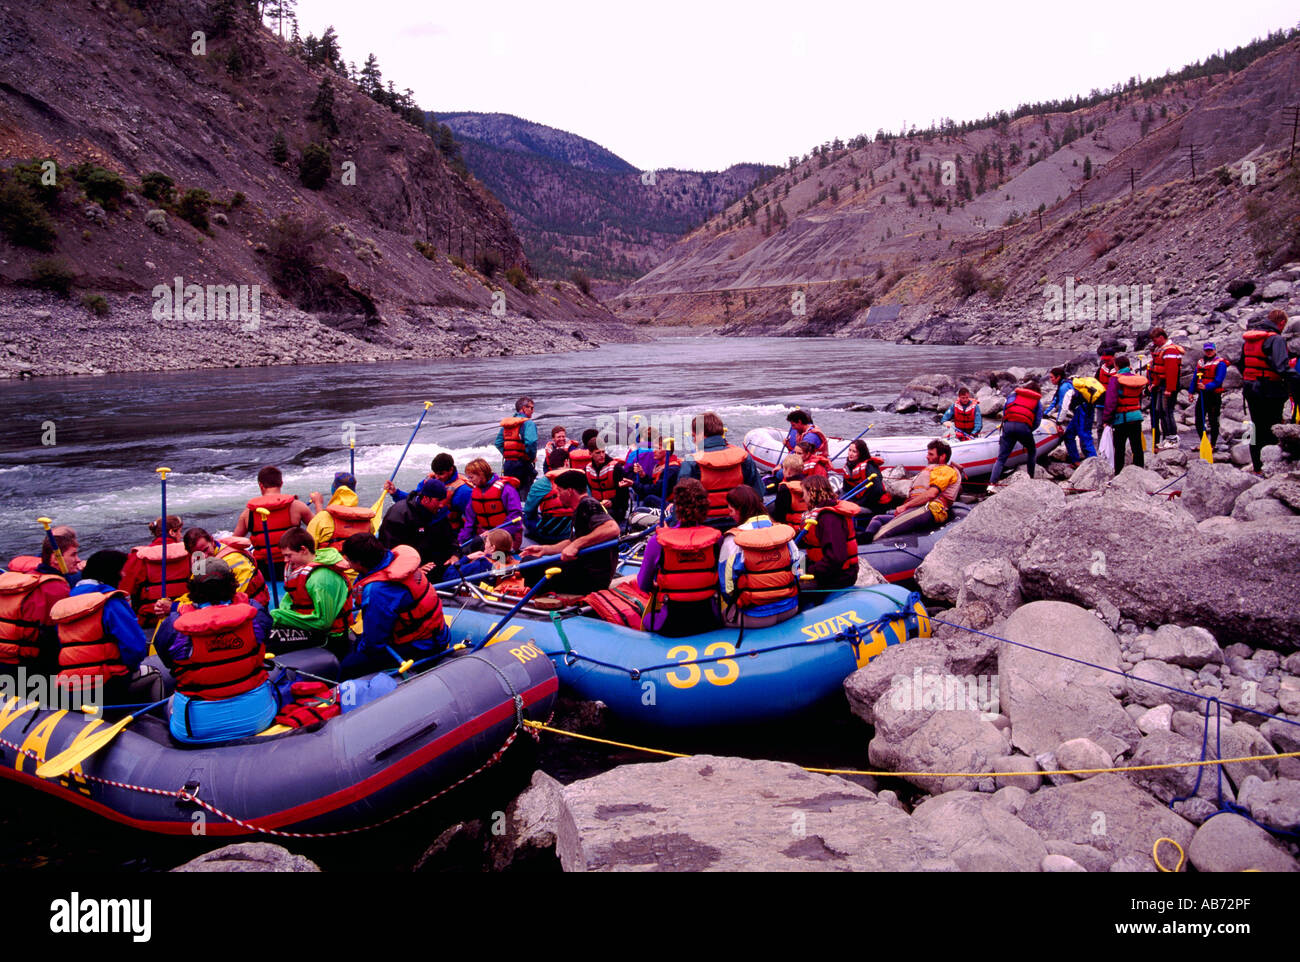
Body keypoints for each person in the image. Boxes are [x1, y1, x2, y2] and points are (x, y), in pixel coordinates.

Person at [160, 560, 277, 745]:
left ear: (193, 590)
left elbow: (168, 661)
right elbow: (265, 638)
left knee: (170, 701)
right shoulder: (255, 612)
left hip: (195, 729)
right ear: (232, 585)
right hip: (257, 719)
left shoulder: (174, 625)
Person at [50, 549, 162, 705]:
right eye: (120, 571)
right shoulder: (111, 602)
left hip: (69, 684)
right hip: (106, 682)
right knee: (156, 675)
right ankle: (154, 722)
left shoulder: (65, 603)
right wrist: (128, 667)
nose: (123, 575)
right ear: (110, 573)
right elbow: (135, 647)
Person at [340, 534, 449, 680]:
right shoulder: (393, 559)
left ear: (359, 563)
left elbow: (375, 642)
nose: (348, 565)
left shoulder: (378, 591)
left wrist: (359, 650)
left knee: (347, 667)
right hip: (437, 633)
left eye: (348, 561)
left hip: (421, 646)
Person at [636, 479, 722, 636]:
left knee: (648, 618)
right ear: (704, 507)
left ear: (676, 508)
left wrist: (657, 587)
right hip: (709, 619)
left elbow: (643, 584)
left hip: (671, 622)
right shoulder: (716, 540)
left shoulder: (658, 542)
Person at [519, 471, 621, 596]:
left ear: (570, 491)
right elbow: (571, 541)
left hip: (590, 579)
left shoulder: (587, 504)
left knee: (528, 565)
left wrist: (576, 544)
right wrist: (544, 549)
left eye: (559, 491)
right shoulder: (580, 509)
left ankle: (533, 600)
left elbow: (612, 528)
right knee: (531, 561)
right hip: (584, 571)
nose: (558, 496)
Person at [717, 486, 800, 629]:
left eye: (731, 510)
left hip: (754, 617)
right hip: (790, 609)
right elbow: (799, 563)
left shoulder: (732, 541)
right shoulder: (783, 532)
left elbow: (727, 587)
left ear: (740, 509)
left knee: (720, 616)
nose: (730, 515)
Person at [0, 528, 76, 678]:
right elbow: (63, 637)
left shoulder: (27, 578)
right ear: (56, 559)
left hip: (5, 660)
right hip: (32, 668)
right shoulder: (56, 588)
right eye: (73, 554)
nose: (78, 560)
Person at [271, 528, 351, 655]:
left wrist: (279, 617)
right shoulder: (301, 570)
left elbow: (324, 622)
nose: (285, 560)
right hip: (311, 629)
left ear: (303, 549)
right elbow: (289, 600)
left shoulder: (321, 578)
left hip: (331, 638)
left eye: (288, 555)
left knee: (271, 643)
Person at [681, 412, 766, 530]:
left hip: (705, 527)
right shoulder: (744, 457)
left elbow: (683, 504)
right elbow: (759, 493)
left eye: (694, 436)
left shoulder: (691, 462)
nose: (694, 440)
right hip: (739, 524)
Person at [863, 440, 962, 541]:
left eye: (931, 454)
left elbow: (931, 494)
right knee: (877, 519)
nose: (927, 457)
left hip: (931, 509)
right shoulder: (935, 470)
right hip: (918, 507)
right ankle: (864, 540)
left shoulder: (946, 470)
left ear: (943, 457)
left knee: (884, 530)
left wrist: (905, 506)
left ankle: (866, 548)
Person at [233, 466, 314, 580]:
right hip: (294, 566)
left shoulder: (247, 513)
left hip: (264, 570)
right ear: (281, 483)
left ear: (261, 485)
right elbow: (319, 530)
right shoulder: (297, 506)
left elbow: (233, 543)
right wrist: (318, 503)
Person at [1240, 309, 1294, 473]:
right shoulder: (1276, 339)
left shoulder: (1250, 339)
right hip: (1269, 390)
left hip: (1250, 388)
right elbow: (1281, 366)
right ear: (1282, 323)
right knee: (1272, 427)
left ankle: (1257, 466)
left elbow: (1241, 364)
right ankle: (1269, 467)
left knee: (1256, 427)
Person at [387, 454, 474, 543]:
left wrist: (460, 541)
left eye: (441, 474)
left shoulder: (464, 492)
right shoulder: (429, 481)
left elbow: (471, 520)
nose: (437, 477)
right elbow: (414, 500)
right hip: (425, 528)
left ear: (451, 470)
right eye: (435, 473)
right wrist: (396, 493)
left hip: (450, 533)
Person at [377, 476, 456, 574]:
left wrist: (455, 554)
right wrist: (414, 570)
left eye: (443, 500)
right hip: (410, 570)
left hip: (438, 564)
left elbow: (450, 539)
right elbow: (389, 551)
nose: (441, 505)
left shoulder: (438, 513)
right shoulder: (398, 516)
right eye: (438, 501)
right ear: (426, 499)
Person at [120, 520, 191, 627]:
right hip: (184, 613)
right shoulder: (193, 552)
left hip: (150, 618)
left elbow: (124, 590)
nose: (181, 536)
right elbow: (201, 580)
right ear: (172, 532)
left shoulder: (137, 557)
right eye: (180, 532)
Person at [800, 475, 859, 592]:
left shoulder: (829, 518)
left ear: (812, 493)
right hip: (827, 569)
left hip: (839, 576)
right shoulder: (822, 513)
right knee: (792, 570)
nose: (802, 497)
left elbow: (836, 558)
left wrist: (810, 571)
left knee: (793, 587)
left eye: (804, 493)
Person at [183, 528, 269, 606]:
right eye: (199, 554)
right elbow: (195, 591)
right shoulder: (200, 562)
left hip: (250, 607)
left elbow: (234, 596)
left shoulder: (234, 559)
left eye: (206, 549)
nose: (204, 556)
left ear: (212, 541)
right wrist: (177, 605)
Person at [462, 457, 524, 552]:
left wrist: (494, 536)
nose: (470, 481)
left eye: (471, 477)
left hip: (506, 536)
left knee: (496, 558)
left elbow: (515, 518)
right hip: (485, 537)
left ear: (481, 474)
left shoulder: (506, 489)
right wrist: (462, 540)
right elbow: (469, 521)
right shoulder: (475, 492)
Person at [987, 381, 1043, 484]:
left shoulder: (1013, 395)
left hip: (1008, 426)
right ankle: (1030, 478)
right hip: (1023, 428)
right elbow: (1037, 421)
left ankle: (991, 484)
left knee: (1001, 458)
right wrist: (1028, 431)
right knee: (1032, 451)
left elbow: (1005, 411)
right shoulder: (1036, 401)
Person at [1100, 354, 1147, 474]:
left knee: (1119, 448)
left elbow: (1111, 401)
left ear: (1117, 366)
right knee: (1137, 447)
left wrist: (1106, 420)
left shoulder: (1115, 379)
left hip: (1121, 419)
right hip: (1136, 417)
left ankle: (1118, 473)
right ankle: (1140, 471)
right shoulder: (1136, 378)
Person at [307, 472, 374, 552]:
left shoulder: (321, 518)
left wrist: (318, 504)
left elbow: (309, 550)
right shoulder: (367, 520)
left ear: (334, 488)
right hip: (358, 562)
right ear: (354, 491)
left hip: (330, 564)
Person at [525, 449, 579, 545]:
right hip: (570, 532)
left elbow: (529, 511)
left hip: (547, 535)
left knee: (526, 518)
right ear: (566, 462)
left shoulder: (539, 484)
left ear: (550, 464)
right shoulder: (580, 480)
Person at [1145, 328, 1185, 449]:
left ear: (1162, 337)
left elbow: (1172, 372)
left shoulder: (1170, 351)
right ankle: (1167, 438)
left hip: (1168, 386)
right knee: (1160, 411)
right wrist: (1155, 384)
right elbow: (1158, 370)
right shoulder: (1161, 350)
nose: (1154, 342)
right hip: (1161, 385)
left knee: (1167, 411)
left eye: (1155, 339)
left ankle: (1172, 438)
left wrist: (1169, 388)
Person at [1188, 341, 1228, 449]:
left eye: (1211, 350)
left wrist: (1206, 387)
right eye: (1207, 350)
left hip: (1214, 396)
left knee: (1213, 420)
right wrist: (1191, 392)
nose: (1209, 352)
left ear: (1215, 350)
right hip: (1202, 396)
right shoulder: (1201, 362)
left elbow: (1218, 380)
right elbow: (1195, 378)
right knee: (1199, 420)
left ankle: (1213, 444)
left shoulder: (1221, 363)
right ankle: (1203, 442)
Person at [841, 440, 893, 519]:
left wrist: (858, 503)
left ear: (861, 453)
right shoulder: (848, 467)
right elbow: (846, 489)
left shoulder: (869, 466)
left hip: (875, 505)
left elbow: (877, 491)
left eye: (854, 452)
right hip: (858, 500)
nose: (850, 454)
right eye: (850, 450)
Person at [495, 396, 538, 490]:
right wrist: (531, 457)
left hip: (508, 465)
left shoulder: (507, 424)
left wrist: (509, 454)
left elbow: (498, 442)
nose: (532, 410)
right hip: (522, 465)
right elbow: (531, 442)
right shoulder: (529, 423)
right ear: (523, 408)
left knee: (510, 492)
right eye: (531, 407)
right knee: (525, 495)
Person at [585, 442, 632, 525]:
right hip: (596, 506)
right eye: (598, 453)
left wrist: (612, 502)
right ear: (590, 453)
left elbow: (625, 495)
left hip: (617, 508)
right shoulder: (587, 469)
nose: (602, 455)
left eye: (603, 452)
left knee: (598, 518)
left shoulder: (616, 468)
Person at [771, 454, 808, 526]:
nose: (783, 471)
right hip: (804, 521)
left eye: (784, 469)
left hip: (789, 524)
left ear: (789, 472)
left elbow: (779, 514)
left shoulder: (785, 488)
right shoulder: (809, 483)